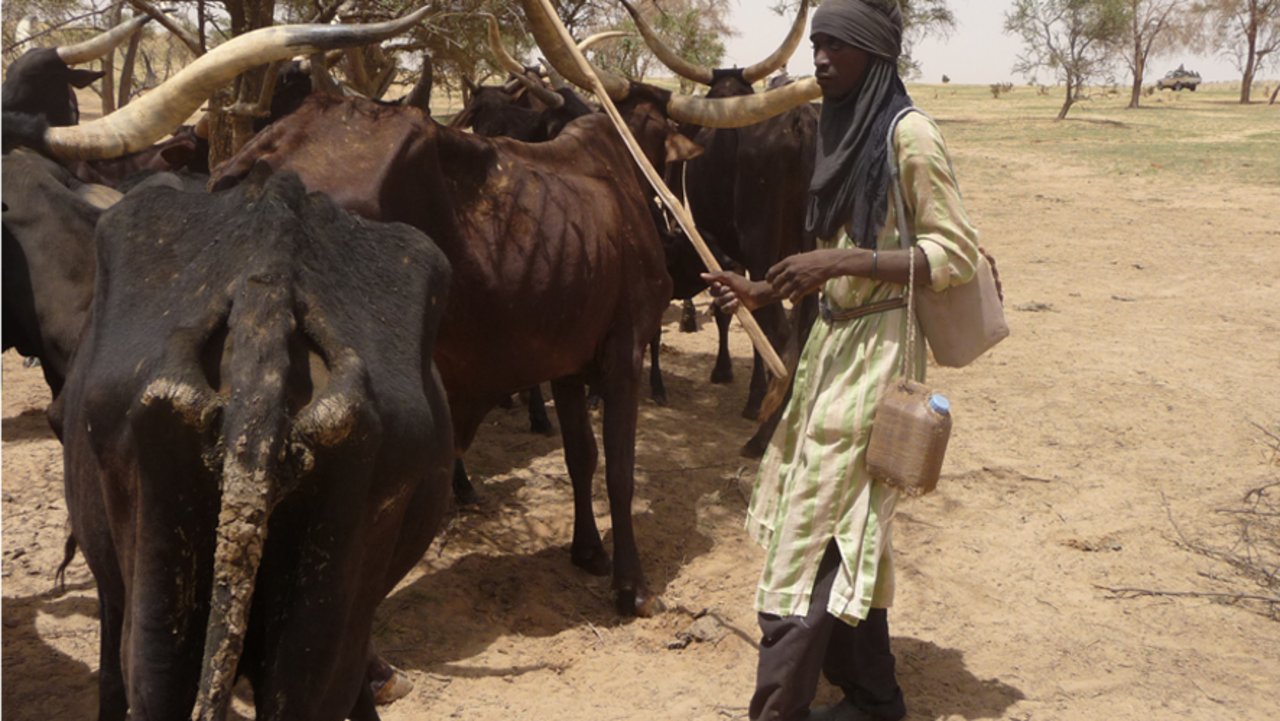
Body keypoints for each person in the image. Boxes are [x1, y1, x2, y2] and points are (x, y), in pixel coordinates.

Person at [701, 1, 982, 720]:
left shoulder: (909, 135)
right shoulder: (835, 126)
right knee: (839, 519)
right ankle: (874, 696)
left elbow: (953, 254)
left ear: (876, 55)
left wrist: (841, 260)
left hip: (878, 352)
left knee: (811, 530)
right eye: (818, 43)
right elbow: (830, 257)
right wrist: (761, 287)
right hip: (828, 347)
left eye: (838, 45)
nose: (821, 58)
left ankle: (778, 707)